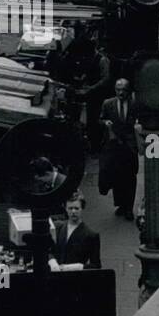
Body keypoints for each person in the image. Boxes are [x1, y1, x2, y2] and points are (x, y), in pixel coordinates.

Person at [99, 79, 138, 219]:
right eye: (118, 90)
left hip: (129, 146)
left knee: (130, 177)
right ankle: (121, 205)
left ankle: (129, 208)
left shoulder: (136, 104)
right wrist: (105, 122)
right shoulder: (108, 104)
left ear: (129, 91)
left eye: (124, 90)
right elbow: (101, 118)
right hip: (114, 146)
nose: (121, 93)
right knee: (117, 176)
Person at [52, 194, 101, 268]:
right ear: (65, 209)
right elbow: (48, 249)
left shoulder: (91, 235)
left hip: (75, 276)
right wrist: (52, 261)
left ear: (82, 209)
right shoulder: (57, 227)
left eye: (76, 208)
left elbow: (96, 265)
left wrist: (77, 267)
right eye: (70, 208)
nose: (73, 211)